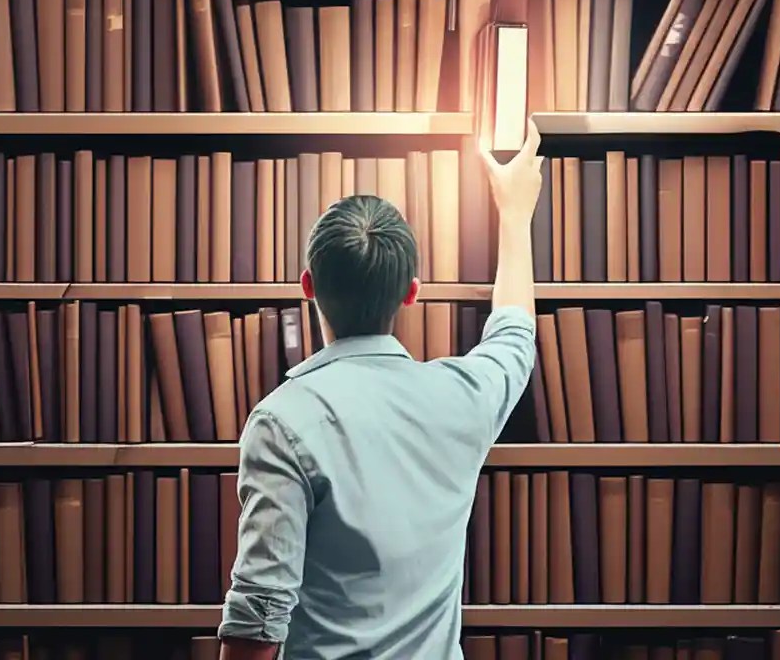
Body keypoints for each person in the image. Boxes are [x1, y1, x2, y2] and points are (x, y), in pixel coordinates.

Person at [219, 120, 546, 660]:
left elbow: (259, 617)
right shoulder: (462, 398)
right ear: (412, 293)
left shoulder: (281, 422)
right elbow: (515, 332)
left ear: (308, 287)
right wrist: (513, 214)